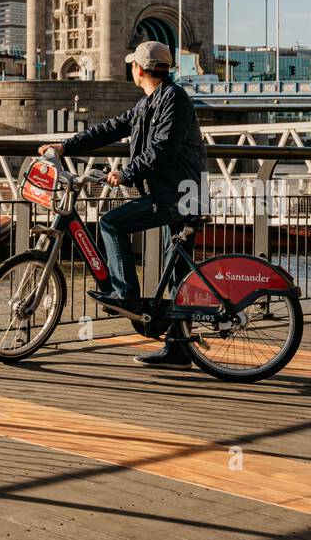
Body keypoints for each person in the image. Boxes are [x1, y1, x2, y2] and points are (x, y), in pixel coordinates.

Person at [39, 40, 206, 370]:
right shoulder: (150, 103)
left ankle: (125, 295)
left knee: (111, 222)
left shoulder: (174, 100)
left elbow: (163, 148)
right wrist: (65, 147)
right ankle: (178, 349)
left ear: (139, 69)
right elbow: (111, 128)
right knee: (179, 273)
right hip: (177, 191)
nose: (131, 68)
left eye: (132, 64)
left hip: (181, 194)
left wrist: (126, 173)